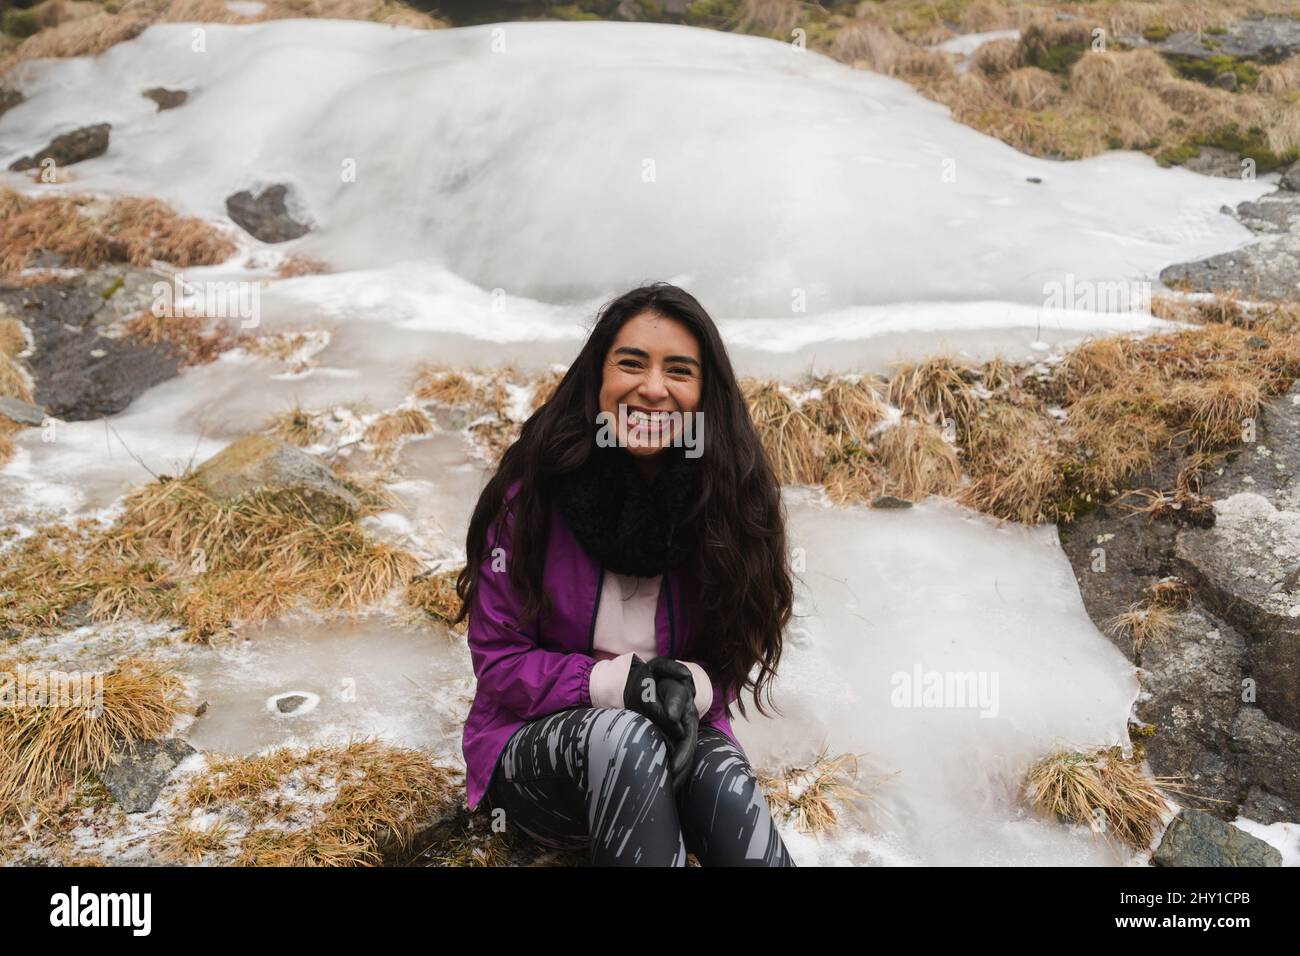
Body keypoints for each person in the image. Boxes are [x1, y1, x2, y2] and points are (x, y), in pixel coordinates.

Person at [455, 282, 796, 866]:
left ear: (705, 393)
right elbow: (499, 661)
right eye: (631, 363)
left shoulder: (728, 504)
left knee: (727, 788)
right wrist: (617, 686)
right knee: (626, 738)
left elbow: (730, 654)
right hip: (535, 756)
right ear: (598, 376)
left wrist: (689, 685)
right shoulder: (532, 495)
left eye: (679, 371)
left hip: (667, 740)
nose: (653, 388)